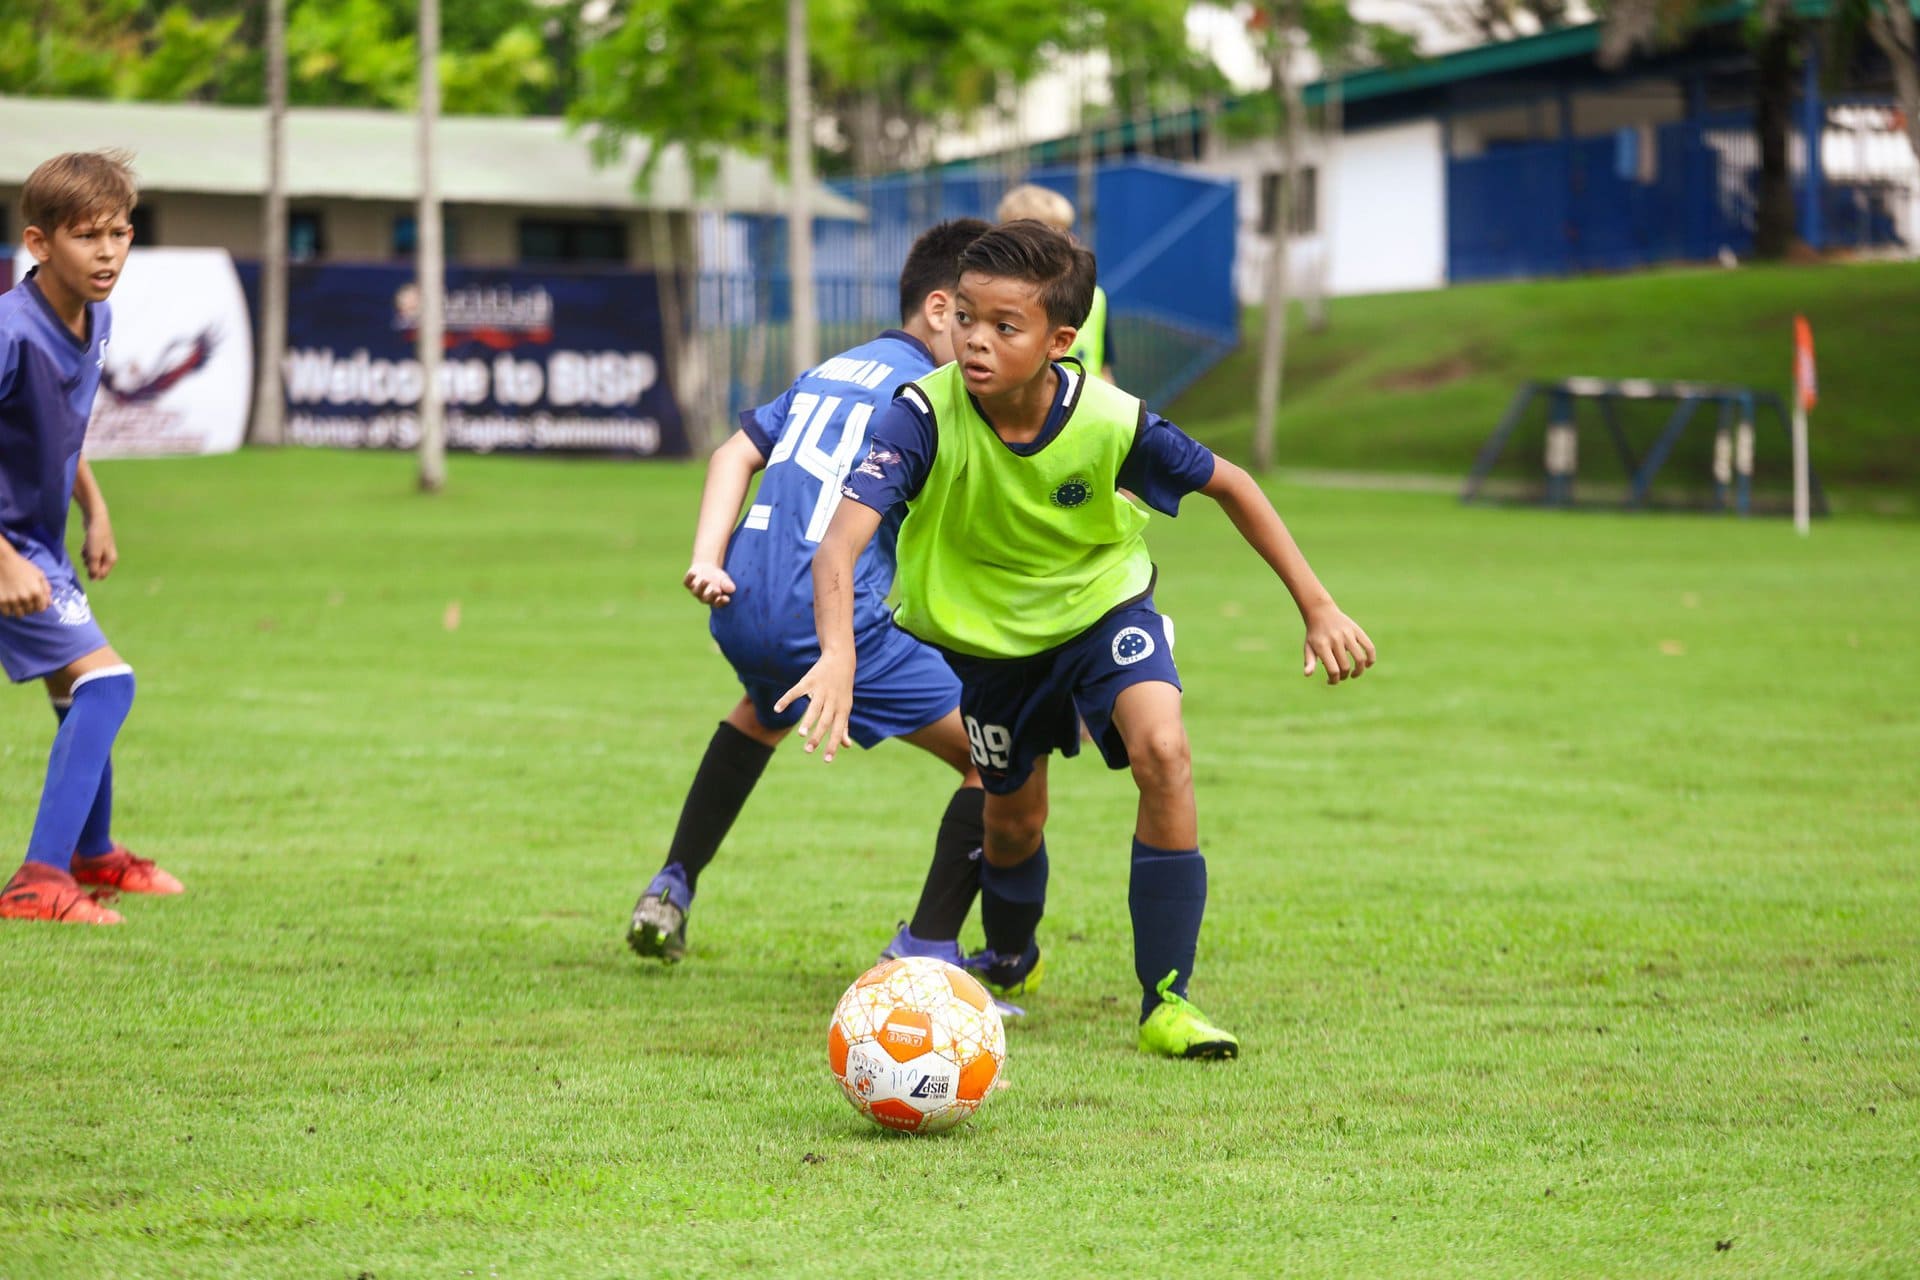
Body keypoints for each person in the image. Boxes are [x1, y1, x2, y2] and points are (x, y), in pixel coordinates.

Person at [777, 221, 1376, 1058]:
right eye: (966, 319)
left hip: (1104, 612)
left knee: (1165, 751)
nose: (975, 341)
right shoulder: (920, 416)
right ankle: (1010, 957)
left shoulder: (1109, 421)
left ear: (1059, 341)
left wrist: (1317, 605)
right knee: (1013, 822)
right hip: (989, 651)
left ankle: (1168, 1001)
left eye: (1003, 327)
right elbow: (839, 543)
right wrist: (838, 652)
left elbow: (1231, 485)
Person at [627, 219, 1003, 986]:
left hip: (740, 596)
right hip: (826, 611)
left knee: (760, 711)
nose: (980, 337)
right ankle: (928, 950)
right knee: (996, 759)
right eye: (974, 316)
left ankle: (671, 884)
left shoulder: (838, 365)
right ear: (939, 310)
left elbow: (735, 451)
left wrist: (706, 556)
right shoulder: (930, 393)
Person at [1, 150, 184, 927]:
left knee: (79, 688)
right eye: (86, 236)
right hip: (9, 546)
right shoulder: (10, 332)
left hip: (33, 540)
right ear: (40, 244)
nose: (108, 252)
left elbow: (62, 430)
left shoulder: (95, 317)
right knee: (107, 684)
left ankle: (91, 852)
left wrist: (95, 507)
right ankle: (40, 881)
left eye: (119, 233)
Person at [995, 184, 1113, 383]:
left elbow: (1104, 371)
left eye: (1067, 230)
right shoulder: (993, 301)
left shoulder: (1096, 297)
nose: (1069, 239)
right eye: (1053, 234)